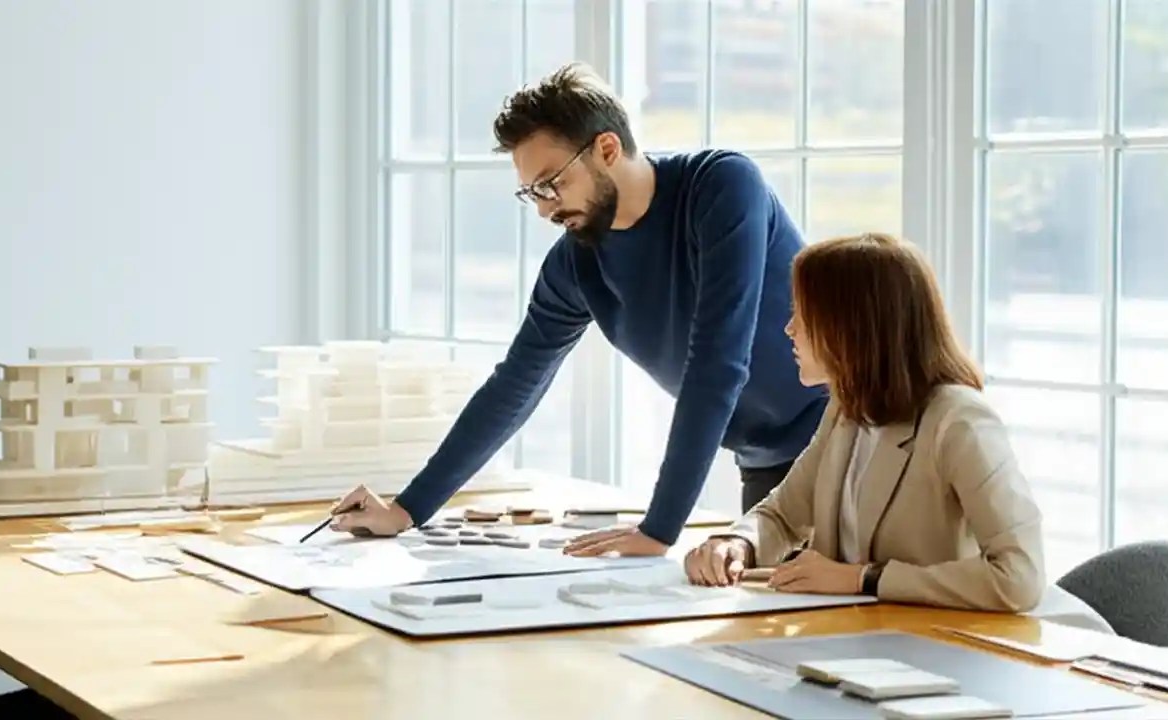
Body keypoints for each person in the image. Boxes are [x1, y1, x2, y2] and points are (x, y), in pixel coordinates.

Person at [329, 62, 829, 556]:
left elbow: (718, 362)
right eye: (532, 193)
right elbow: (515, 384)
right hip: (765, 466)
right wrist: (408, 509)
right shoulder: (576, 262)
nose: (545, 209)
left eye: (551, 183)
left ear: (606, 149)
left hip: (850, 438)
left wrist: (659, 529)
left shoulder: (721, 187)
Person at [683, 233, 1046, 612]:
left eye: (804, 315)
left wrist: (864, 579)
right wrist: (737, 544)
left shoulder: (960, 422)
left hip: (932, 639)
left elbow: (1020, 576)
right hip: (853, 632)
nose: (790, 329)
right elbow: (783, 515)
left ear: (853, 326)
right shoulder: (847, 408)